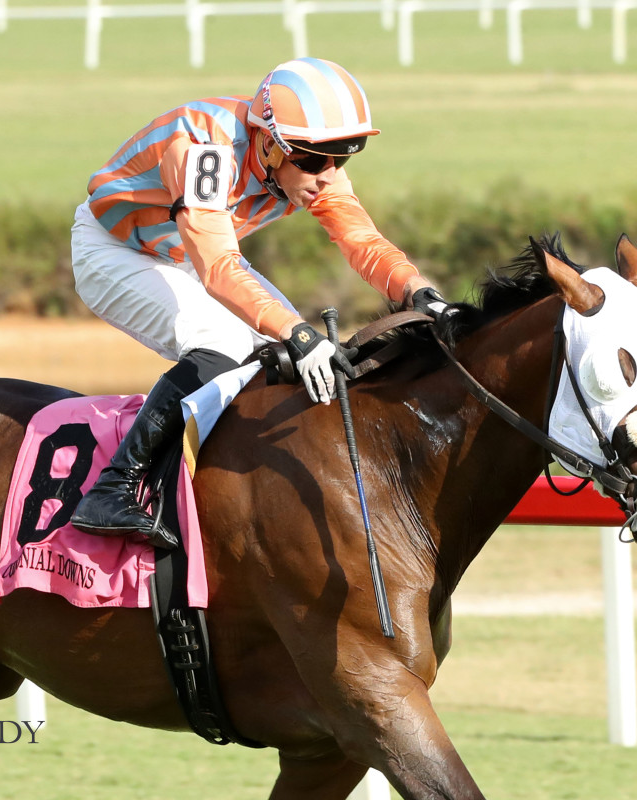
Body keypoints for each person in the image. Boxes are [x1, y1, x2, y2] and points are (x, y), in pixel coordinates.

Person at [68, 57, 450, 550]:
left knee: (287, 348)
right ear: (269, 143)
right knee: (224, 343)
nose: (326, 175)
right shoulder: (205, 149)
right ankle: (114, 487)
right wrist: (294, 329)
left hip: (187, 249)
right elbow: (218, 269)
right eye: (312, 161)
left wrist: (417, 291)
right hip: (115, 250)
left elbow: (362, 242)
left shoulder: (311, 164)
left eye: (340, 159)